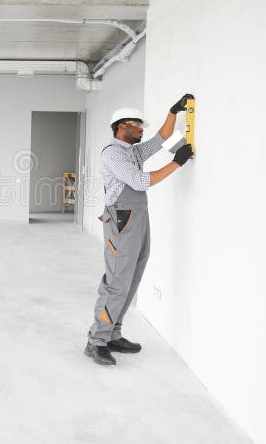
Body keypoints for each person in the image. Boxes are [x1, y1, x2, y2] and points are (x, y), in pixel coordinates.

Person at [84, 94, 194, 366]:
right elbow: (139, 180)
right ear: (122, 127)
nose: (141, 129)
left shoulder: (131, 151)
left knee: (132, 279)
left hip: (138, 219)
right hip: (122, 222)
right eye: (137, 125)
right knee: (117, 282)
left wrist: (173, 111)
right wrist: (177, 163)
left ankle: (113, 334)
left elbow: (159, 140)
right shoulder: (113, 153)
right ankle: (97, 340)